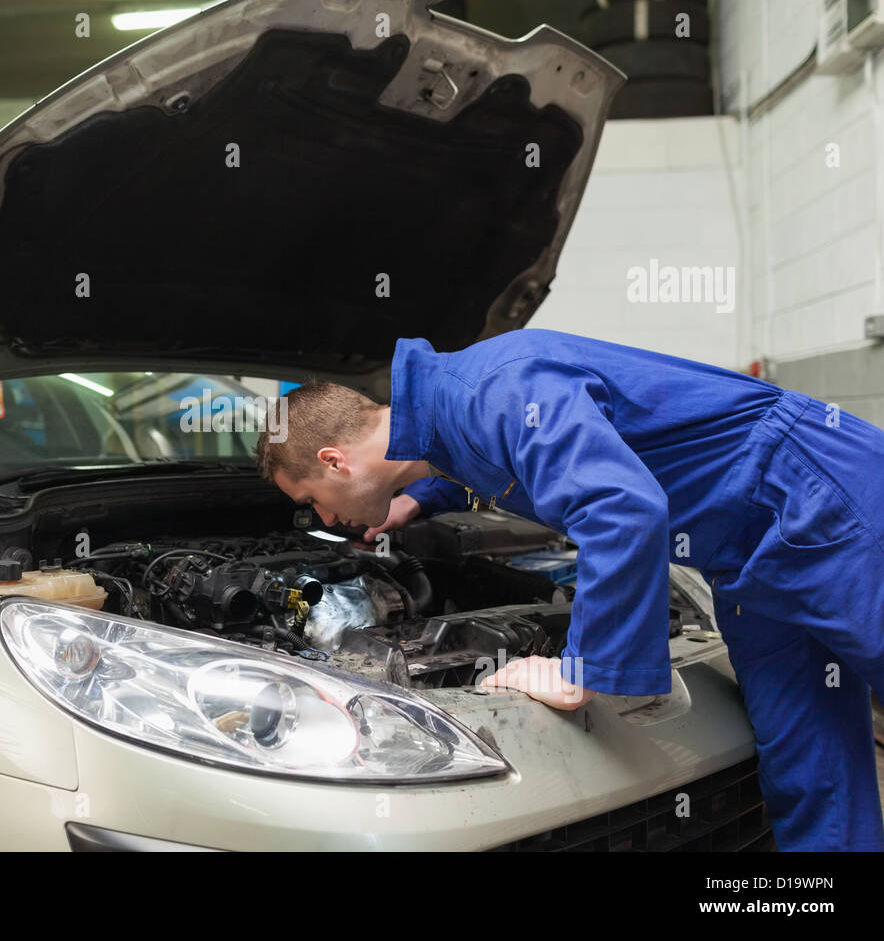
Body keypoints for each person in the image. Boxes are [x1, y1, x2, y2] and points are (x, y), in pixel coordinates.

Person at [254, 327, 884, 851]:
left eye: (315, 502)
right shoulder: (447, 421)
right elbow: (485, 456)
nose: (328, 523)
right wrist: (413, 503)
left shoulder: (498, 387)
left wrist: (582, 667)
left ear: (336, 461)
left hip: (820, 497)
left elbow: (621, 510)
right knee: (807, 756)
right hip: (743, 555)